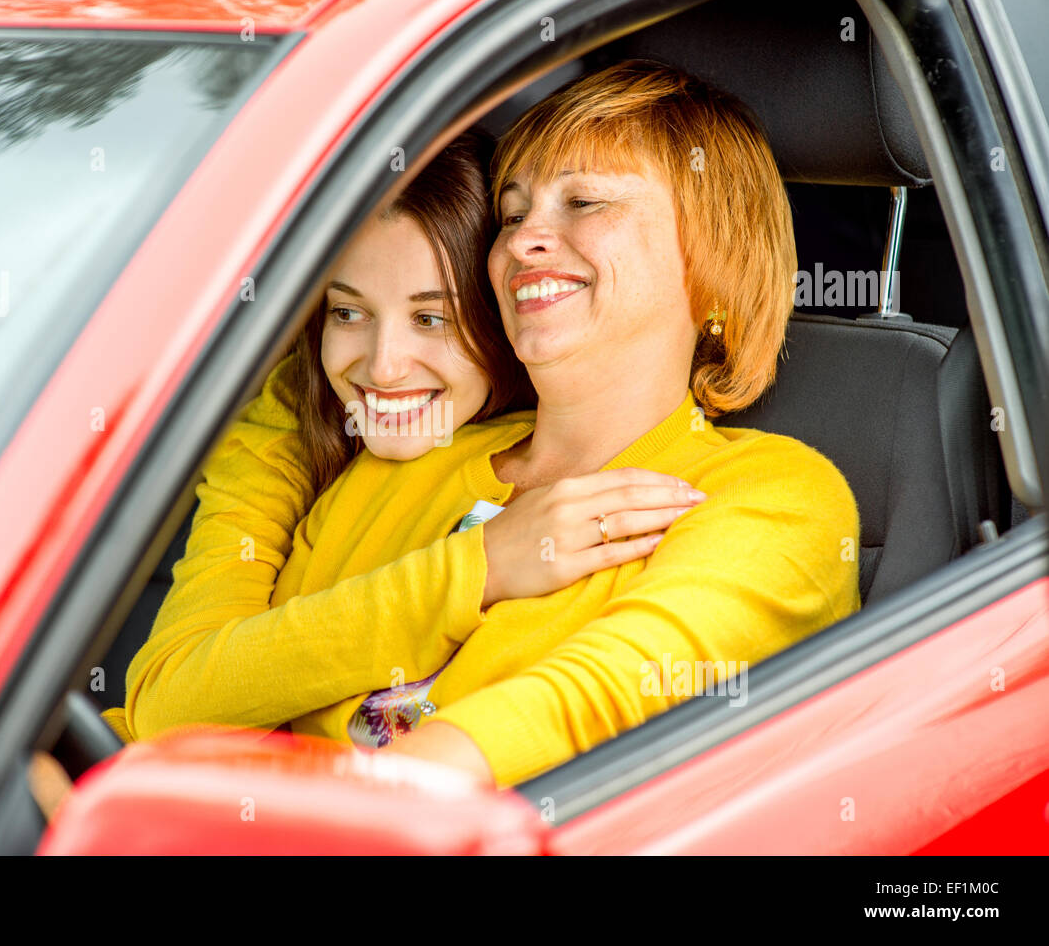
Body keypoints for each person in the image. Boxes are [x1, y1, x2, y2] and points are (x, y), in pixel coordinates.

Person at [122, 60, 861, 789]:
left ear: (713, 261)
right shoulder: (404, 461)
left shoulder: (774, 496)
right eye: (513, 213)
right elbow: (182, 709)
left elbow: (586, 708)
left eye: (584, 203)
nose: (522, 240)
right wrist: (479, 564)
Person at [105, 127, 693, 744]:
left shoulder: (575, 461)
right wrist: (475, 570)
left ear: (507, 315)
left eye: (431, 318)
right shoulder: (296, 417)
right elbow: (170, 703)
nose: (383, 366)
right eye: (348, 312)